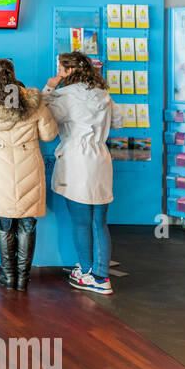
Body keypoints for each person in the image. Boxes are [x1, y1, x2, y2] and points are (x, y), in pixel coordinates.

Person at [0, 58, 57, 291]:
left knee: (4, 221)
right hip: (28, 166)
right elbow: (49, 135)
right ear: (14, 74)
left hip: (0, 169)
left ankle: (8, 276)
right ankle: (23, 279)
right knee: (28, 222)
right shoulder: (34, 103)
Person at [44, 51, 121, 296]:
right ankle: (99, 272)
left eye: (60, 69)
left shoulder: (64, 96)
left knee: (80, 221)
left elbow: (45, 119)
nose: (58, 72)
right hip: (100, 158)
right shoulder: (103, 94)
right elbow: (119, 122)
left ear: (68, 71)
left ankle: (91, 274)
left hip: (77, 160)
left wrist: (48, 88)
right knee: (99, 221)